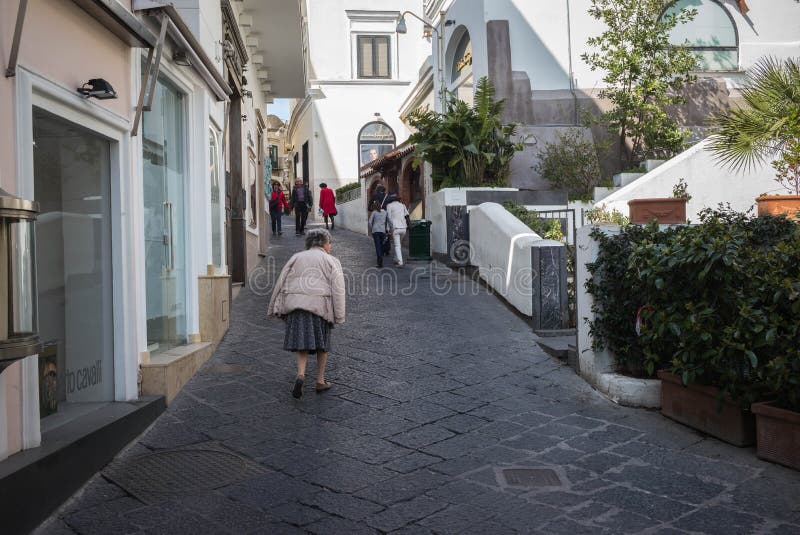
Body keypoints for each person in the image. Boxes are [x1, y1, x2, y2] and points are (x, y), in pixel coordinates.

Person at [267, 229, 346, 398]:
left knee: (301, 341)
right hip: (320, 307)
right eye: (329, 242)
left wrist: (274, 306)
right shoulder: (331, 260)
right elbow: (338, 289)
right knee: (322, 345)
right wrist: (339, 315)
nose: (330, 246)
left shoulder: (296, 257)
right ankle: (320, 380)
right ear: (324, 243)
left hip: (296, 307)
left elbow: (281, 281)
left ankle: (301, 375)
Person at [386, 194, 410, 267]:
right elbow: (407, 215)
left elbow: (389, 218)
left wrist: (388, 228)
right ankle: (396, 258)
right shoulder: (402, 205)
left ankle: (400, 262)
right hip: (403, 228)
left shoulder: (389, 206)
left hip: (395, 228)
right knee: (399, 244)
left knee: (397, 245)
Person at [368, 200, 392, 268]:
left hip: (375, 231)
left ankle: (379, 260)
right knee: (381, 245)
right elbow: (390, 221)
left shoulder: (374, 212)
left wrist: (371, 229)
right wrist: (391, 230)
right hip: (383, 231)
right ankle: (381, 255)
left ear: (374, 206)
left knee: (377, 245)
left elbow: (370, 222)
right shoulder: (385, 212)